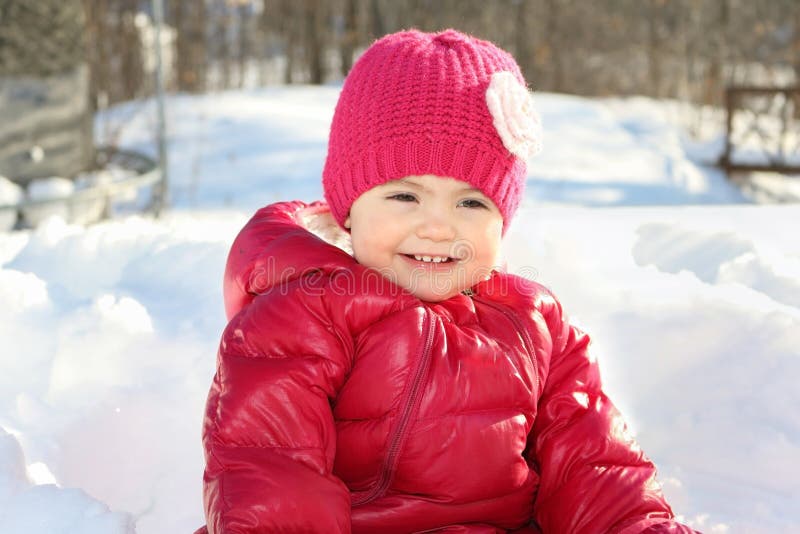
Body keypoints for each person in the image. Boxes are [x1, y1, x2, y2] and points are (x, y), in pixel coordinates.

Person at [198, 29, 697, 533]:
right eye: (404, 197)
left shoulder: (535, 325)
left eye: (471, 202)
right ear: (350, 210)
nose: (438, 226)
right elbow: (271, 468)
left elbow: (595, 465)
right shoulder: (304, 312)